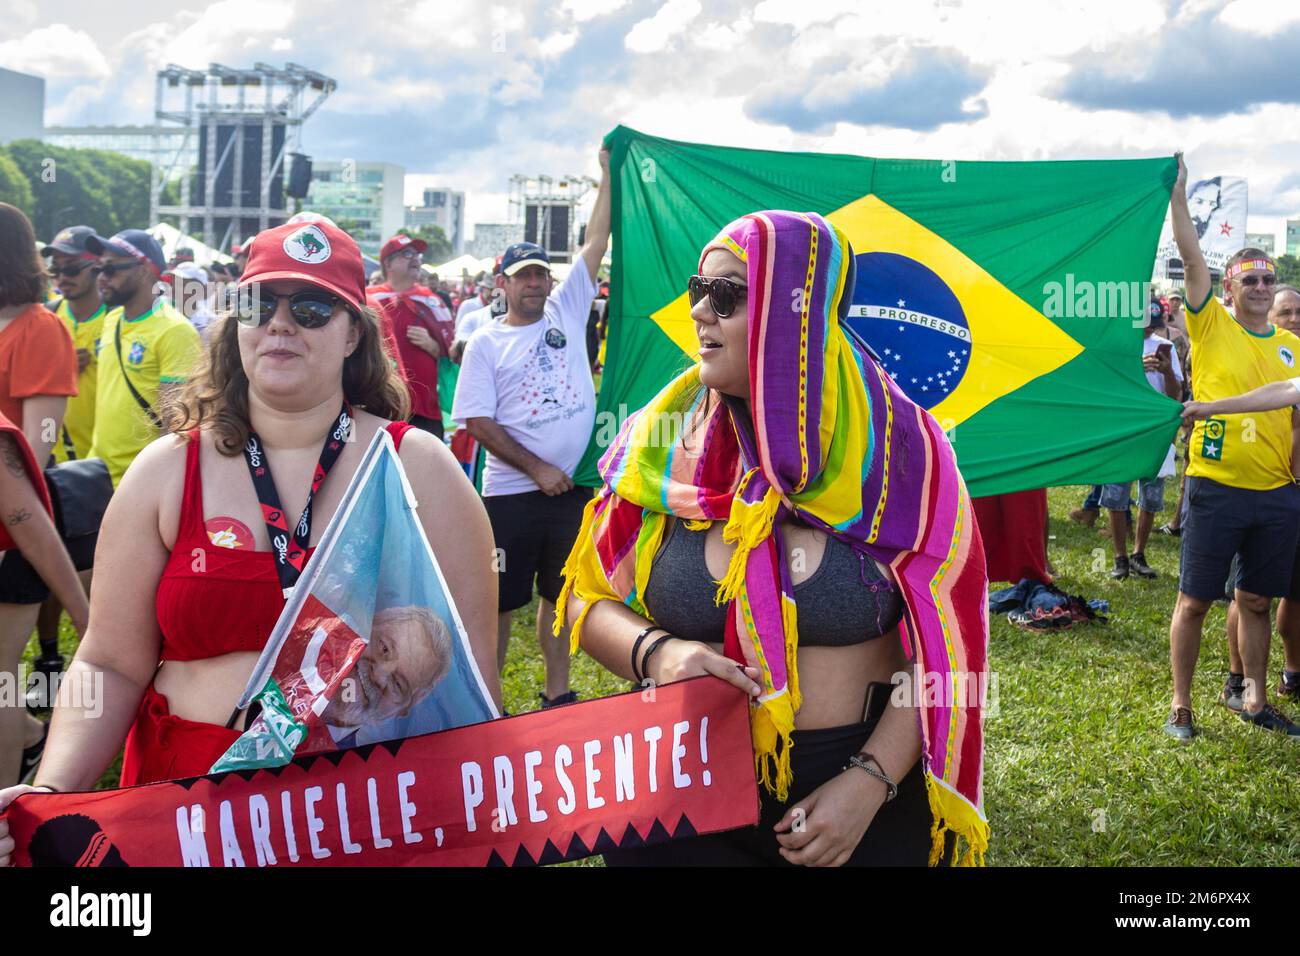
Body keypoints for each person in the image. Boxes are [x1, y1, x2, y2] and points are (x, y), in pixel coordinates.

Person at [0, 220, 500, 841]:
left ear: (353, 336)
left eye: (313, 308)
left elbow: (471, 683)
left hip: (357, 814)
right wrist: (51, 792)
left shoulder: (420, 468)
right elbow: (108, 664)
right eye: (256, 302)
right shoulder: (167, 471)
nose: (280, 323)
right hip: (181, 807)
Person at [555, 210, 989, 867]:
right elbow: (586, 602)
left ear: (798, 312)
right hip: (673, 782)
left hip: (851, 792)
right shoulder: (658, 442)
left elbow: (952, 645)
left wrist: (870, 782)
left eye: (726, 294)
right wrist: (658, 654)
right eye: (698, 288)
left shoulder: (906, 456)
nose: (698, 310)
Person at [452, 149, 611, 709]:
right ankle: (490, 705)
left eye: (541, 273)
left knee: (560, 595)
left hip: (570, 491)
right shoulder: (486, 343)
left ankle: (557, 694)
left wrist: (609, 173)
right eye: (523, 277)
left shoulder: (567, 311)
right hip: (513, 495)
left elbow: (594, 243)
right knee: (500, 602)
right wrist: (537, 468)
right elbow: (476, 421)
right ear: (503, 283)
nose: (535, 284)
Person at [1164, 154, 1300, 740]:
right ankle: (1181, 707)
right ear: (1229, 287)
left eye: (1270, 280)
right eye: (1252, 279)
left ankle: (1254, 700)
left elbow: (1281, 393)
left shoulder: (1292, 345)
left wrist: (1212, 407)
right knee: (1194, 603)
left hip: (1275, 493)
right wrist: (1178, 195)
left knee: (1255, 603)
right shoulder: (1210, 324)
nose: (1263, 287)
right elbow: (1192, 255)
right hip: (1215, 488)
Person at [0, 414, 89, 786]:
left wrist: (86, 619)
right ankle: (30, 738)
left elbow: (33, 528)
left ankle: (7, 808)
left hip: (12, 561)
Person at [85, 229, 202, 487]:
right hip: (96, 475)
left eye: (111, 269)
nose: (101, 278)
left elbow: (175, 426)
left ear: (143, 271)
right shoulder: (112, 319)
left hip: (137, 483)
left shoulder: (174, 330)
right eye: (98, 270)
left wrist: (152, 490)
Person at [1100, 314, 1183, 579]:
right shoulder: (1115, 344)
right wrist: (1136, 368)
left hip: (1155, 431)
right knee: (1115, 494)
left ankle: (1138, 554)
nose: (1148, 322)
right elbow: (1107, 387)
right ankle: (1119, 557)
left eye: (1152, 317)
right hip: (1122, 428)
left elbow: (1175, 394)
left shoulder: (1164, 346)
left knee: (1151, 494)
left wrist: (1167, 369)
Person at [320, 605, 453, 745]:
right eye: (384, 648)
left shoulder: (355, 762)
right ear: (366, 627)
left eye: (398, 684)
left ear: (403, 710)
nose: (378, 675)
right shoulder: (300, 622)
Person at [367, 234, 456, 439]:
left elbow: (453, 354)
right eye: (407, 253)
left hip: (425, 409)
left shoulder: (434, 302)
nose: (415, 259)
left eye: (418, 254)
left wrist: (434, 346)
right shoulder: (367, 299)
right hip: (378, 406)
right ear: (388, 263)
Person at [43, 226, 106, 463]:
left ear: (97, 266)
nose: (62, 278)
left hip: (102, 465)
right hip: (51, 458)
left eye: (71, 268)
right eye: (55, 270)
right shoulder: (46, 317)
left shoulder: (118, 319)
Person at [450, 257, 506, 364]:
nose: (493, 293)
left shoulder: (503, 308)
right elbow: (456, 344)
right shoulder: (468, 307)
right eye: (490, 289)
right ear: (483, 288)